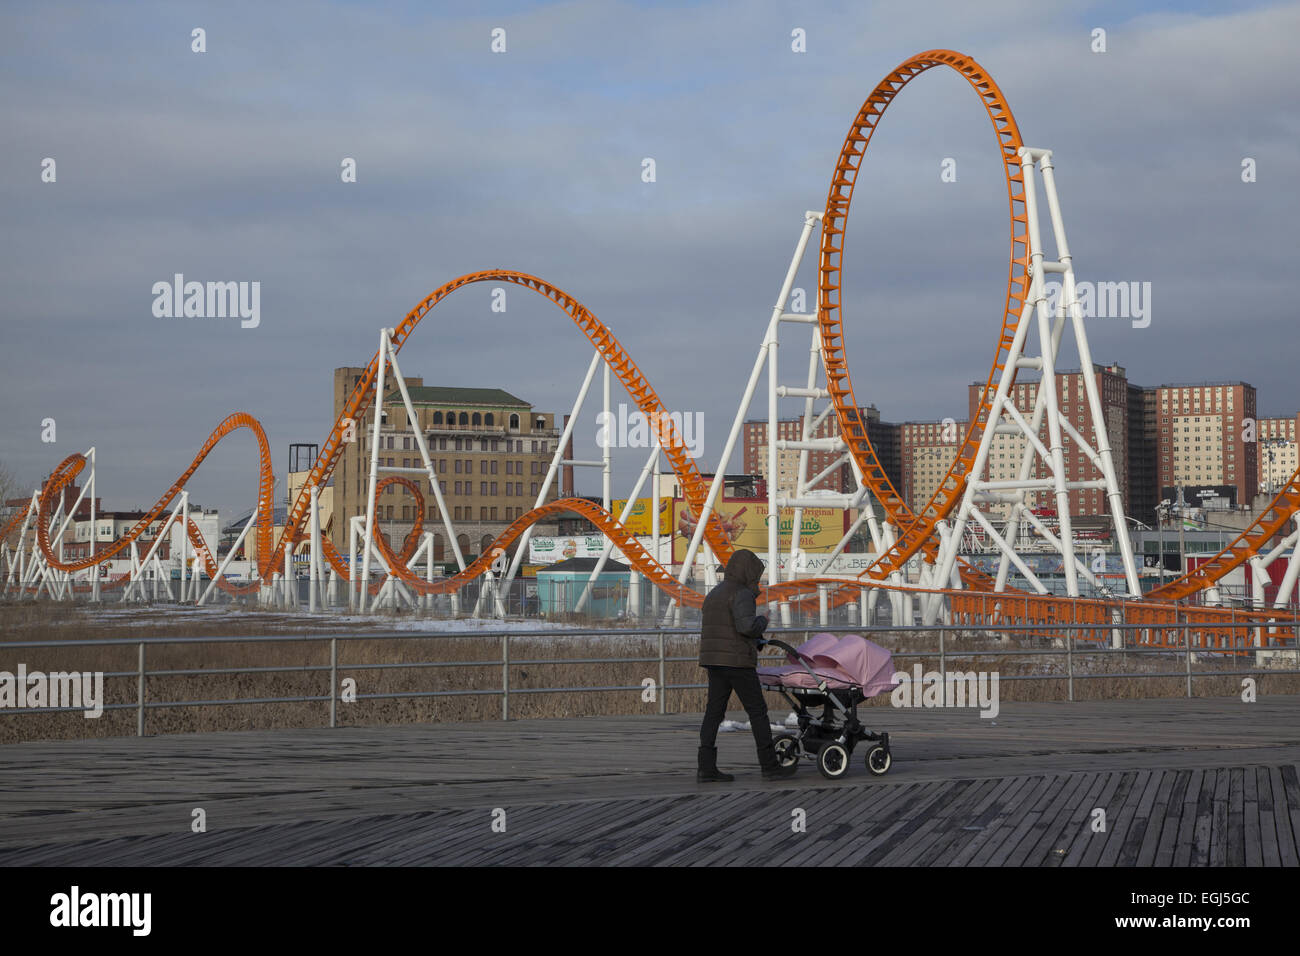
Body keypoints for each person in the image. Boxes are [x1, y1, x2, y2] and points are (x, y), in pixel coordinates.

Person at [697, 548, 796, 781]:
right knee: (758, 712)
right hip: (737, 662)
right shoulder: (741, 594)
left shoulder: (715, 593)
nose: (757, 580)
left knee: (714, 712)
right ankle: (769, 765)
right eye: (756, 575)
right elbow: (746, 627)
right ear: (747, 572)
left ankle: (706, 767)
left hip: (714, 660)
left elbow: (729, 629)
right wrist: (763, 621)